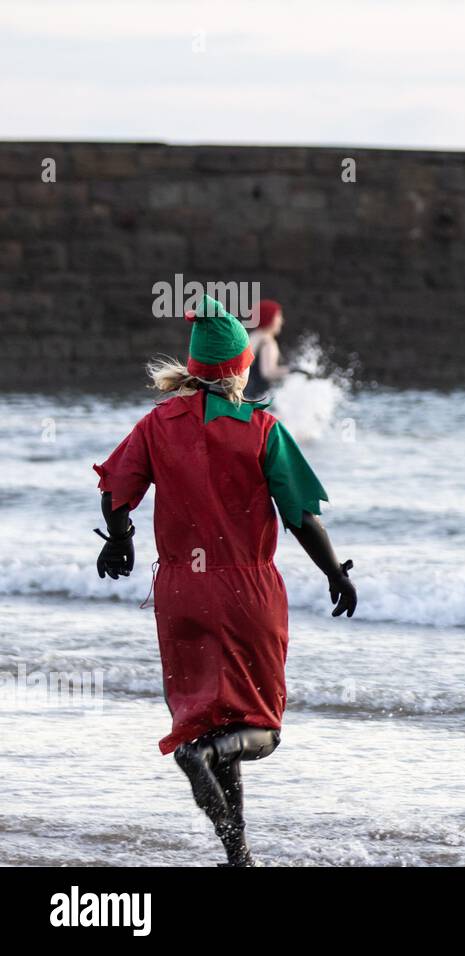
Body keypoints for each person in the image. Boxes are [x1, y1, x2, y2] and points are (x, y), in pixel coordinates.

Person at [93, 294, 357, 866]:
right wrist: (335, 572)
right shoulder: (261, 428)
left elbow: (116, 489)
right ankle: (203, 762)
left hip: (180, 596)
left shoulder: (156, 424)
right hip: (245, 594)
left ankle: (238, 857)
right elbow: (302, 515)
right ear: (241, 368)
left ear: (195, 367)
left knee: (208, 727)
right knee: (258, 727)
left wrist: (121, 539)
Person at [246, 298, 291, 397]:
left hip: (242, 397)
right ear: (269, 317)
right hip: (257, 400)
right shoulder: (267, 342)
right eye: (278, 316)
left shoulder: (251, 337)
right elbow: (268, 372)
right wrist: (291, 371)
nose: (281, 321)